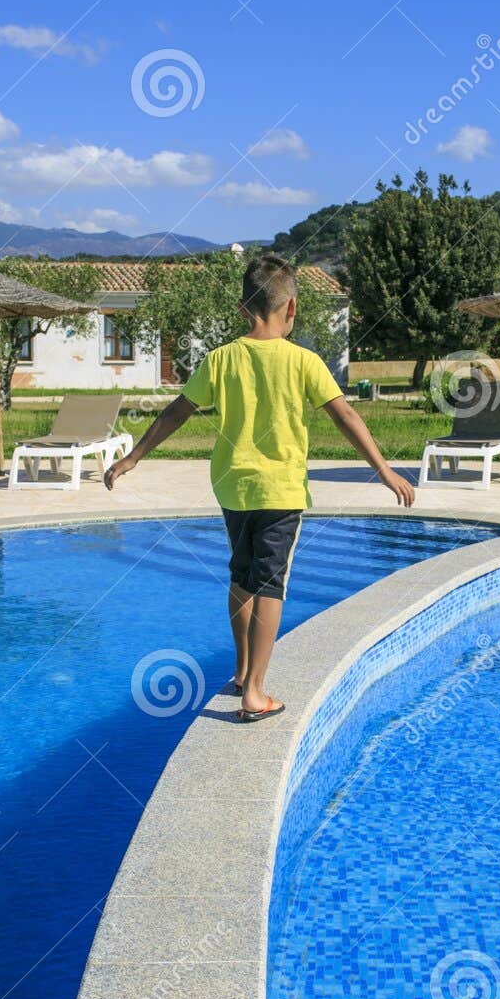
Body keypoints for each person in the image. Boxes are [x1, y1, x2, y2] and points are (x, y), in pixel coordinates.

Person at [104, 254, 414, 722]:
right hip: (280, 491)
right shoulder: (304, 361)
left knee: (241, 574)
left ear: (243, 307)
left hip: (233, 488)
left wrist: (133, 457)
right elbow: (345, 416)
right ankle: (255, 693)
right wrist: (384, 470)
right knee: (271, 584)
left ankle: (242, 668)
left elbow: (176, 412)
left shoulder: (221, 359)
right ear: (290, 308)